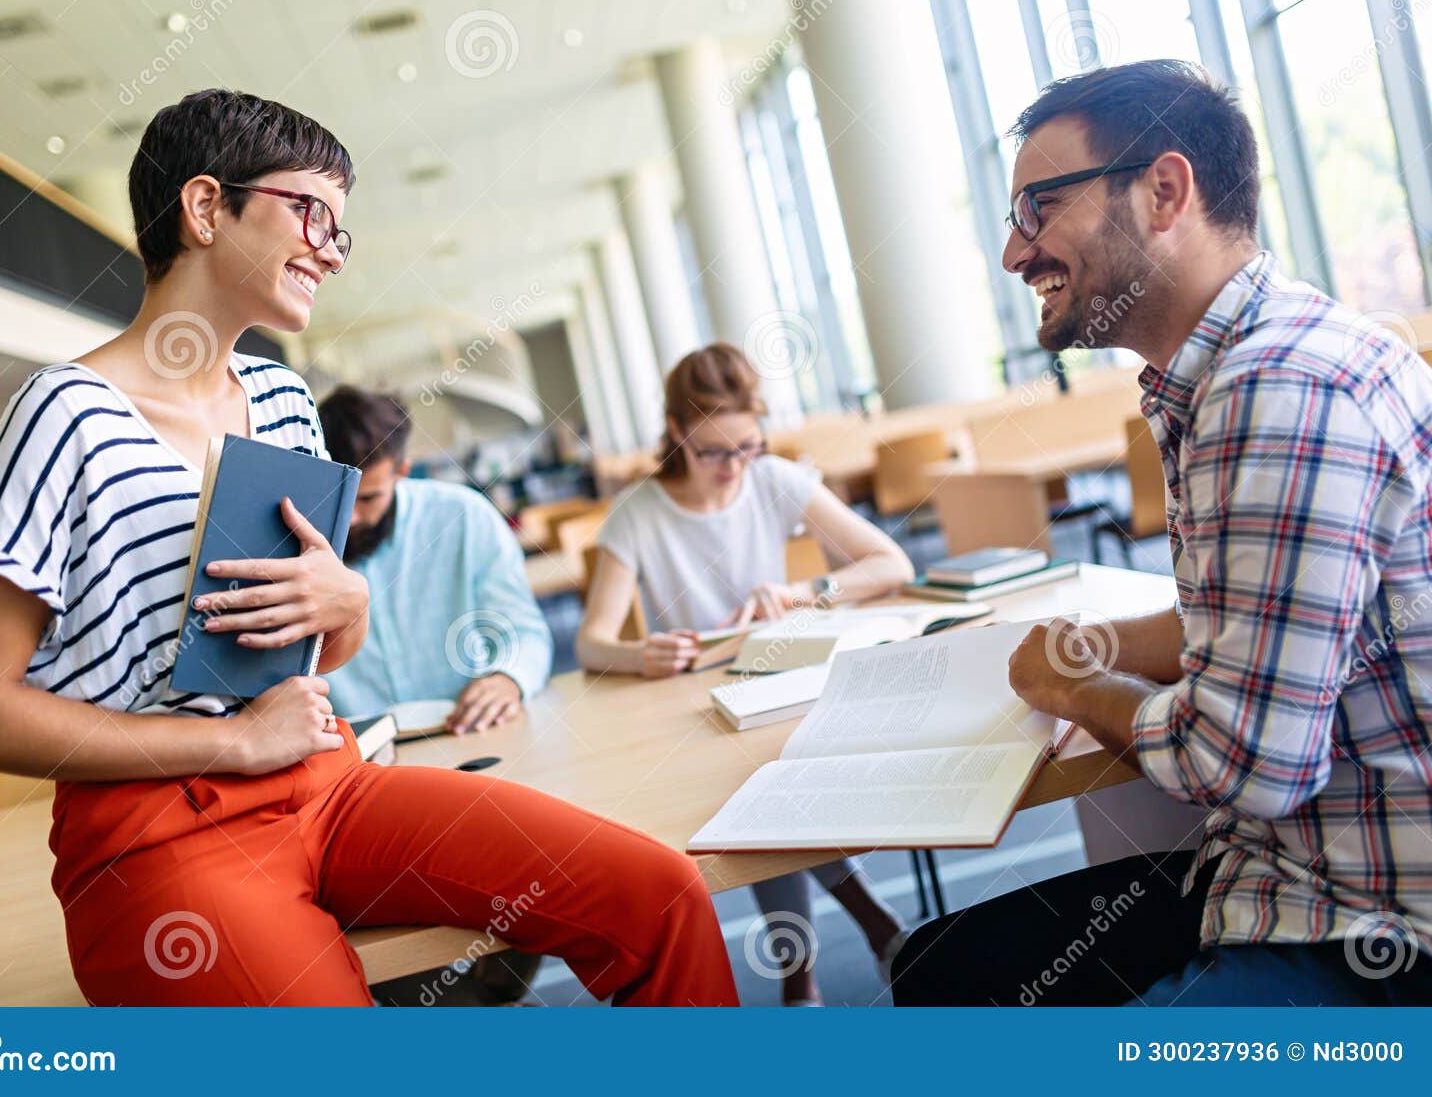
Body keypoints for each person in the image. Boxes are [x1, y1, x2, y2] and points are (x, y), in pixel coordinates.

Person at [0, 87, 738, 1008]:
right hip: (160, 834)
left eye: (338, 230)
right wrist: (231, 749)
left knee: (662, 897)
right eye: (310, 212)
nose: (329, 250)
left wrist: (348, 605)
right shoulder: (65, 416)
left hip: (328, 779)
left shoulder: (282, 402)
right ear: (204, 208)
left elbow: (306, 649)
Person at [890, 59, 1432, 1005]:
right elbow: (1237, 629)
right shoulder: (1239, 368)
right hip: (1285, 866)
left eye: (1037, 208)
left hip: (1373, 917)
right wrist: (1067, 644)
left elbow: (1241, 762)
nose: (1015, 255)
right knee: (935, 969)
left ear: (1164, 191)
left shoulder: (1282, 392)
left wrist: (1068, 682)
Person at [576, 342, 913, 1005]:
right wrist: (637, 655)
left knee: (766, 787)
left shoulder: (772, 478)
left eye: (746, 447)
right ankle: (868, 939)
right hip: (695, 704)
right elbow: (591, 642)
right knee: (759, 790)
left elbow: (891, 564)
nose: (732, 467)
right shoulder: (639, 513)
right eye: (713, 452)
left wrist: (801, 593)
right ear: (677, 434)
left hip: (778, 684)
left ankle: (807, 978)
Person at [316, 387, 551, 735]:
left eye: (367, 498)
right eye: (338, 497)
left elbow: (526, 633)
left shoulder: (465, 517)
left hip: (473, 732)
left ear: (402, 472)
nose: (350, 517)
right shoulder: (290, 545)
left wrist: (508, 679)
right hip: (357, 756)